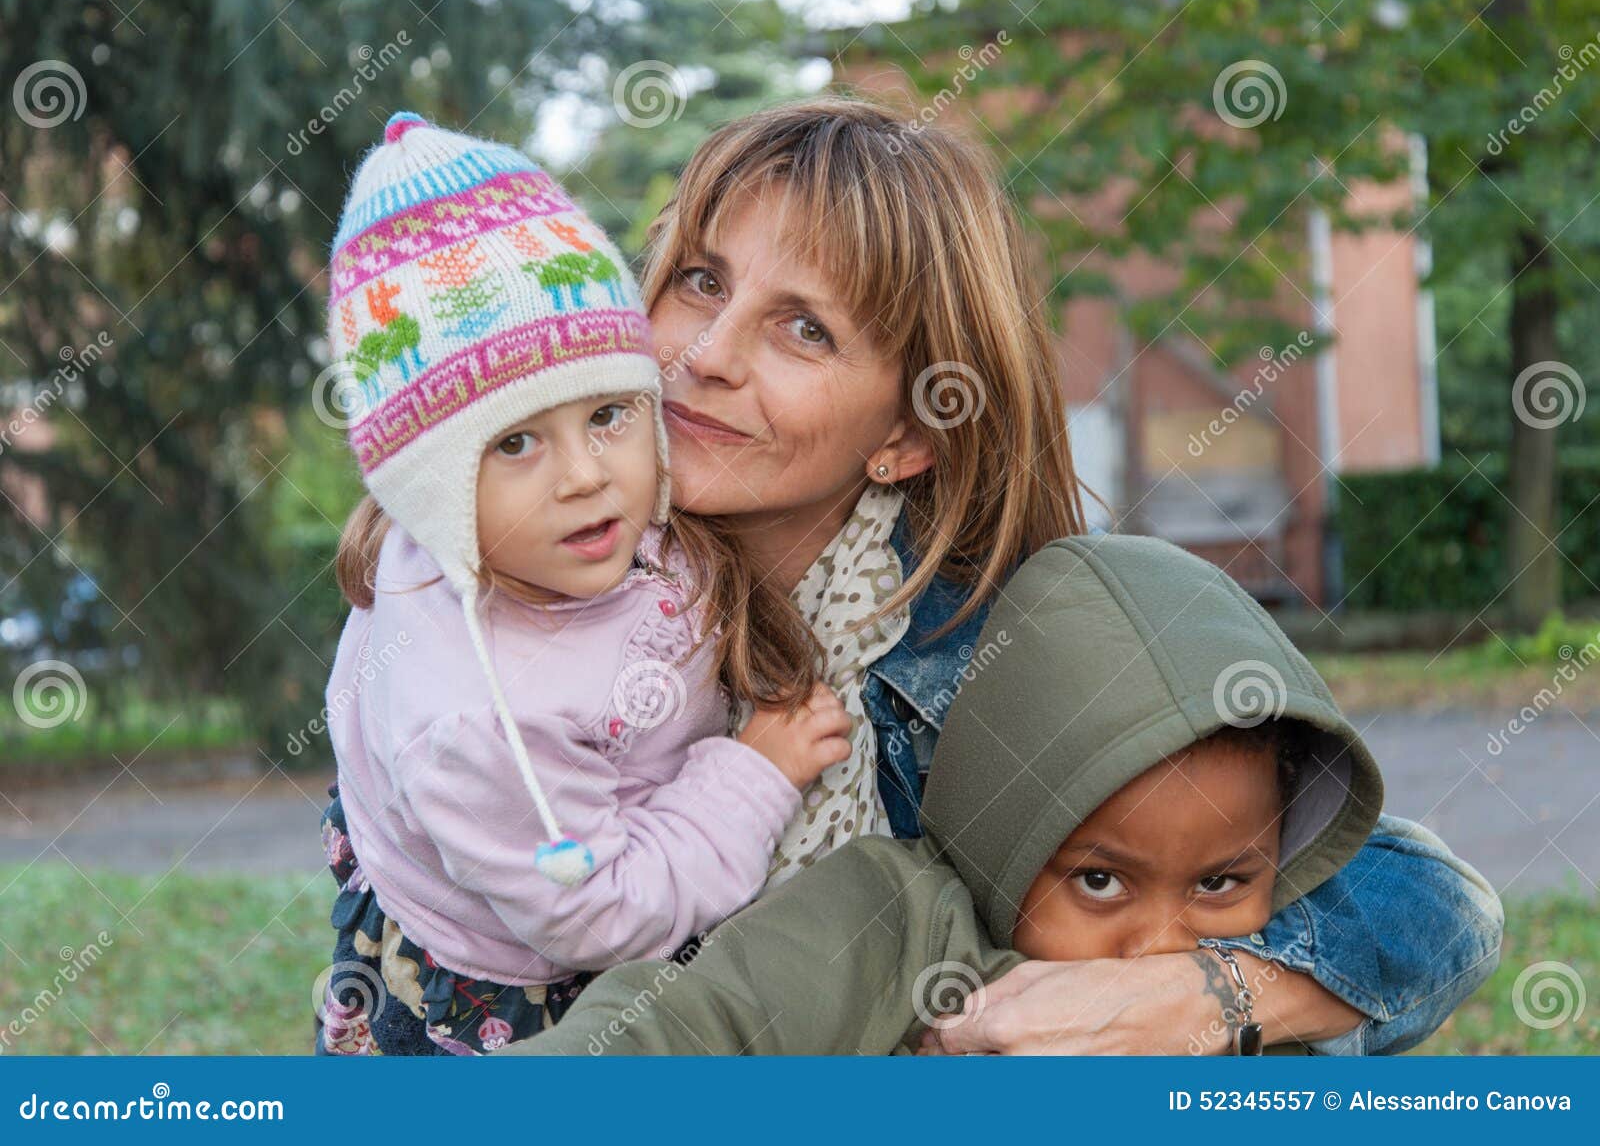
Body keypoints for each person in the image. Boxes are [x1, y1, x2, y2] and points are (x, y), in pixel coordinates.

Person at [320, 96, 1503, 1054]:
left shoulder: (974, 653)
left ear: (910, 433)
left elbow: (1432, 904)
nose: (705, 357)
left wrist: (1202, 998)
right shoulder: (528, 556)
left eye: (805, 331)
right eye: (699, 282)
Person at [314, 113, 854, 1056]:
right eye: (514, 442)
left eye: (608, 412)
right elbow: (602, 914)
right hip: (528, 978)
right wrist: (751, 777)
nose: (584, 475)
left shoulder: (566, 525)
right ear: (428, 485)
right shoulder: (476, 719)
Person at [501, 534, 1394, 1055]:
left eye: (1218, 883)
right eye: (1098, 881)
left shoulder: (1273, 955)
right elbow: (693, 1021)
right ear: (1008, 826)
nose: (1161, 945)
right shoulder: (901, 918)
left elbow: (1449, 913)